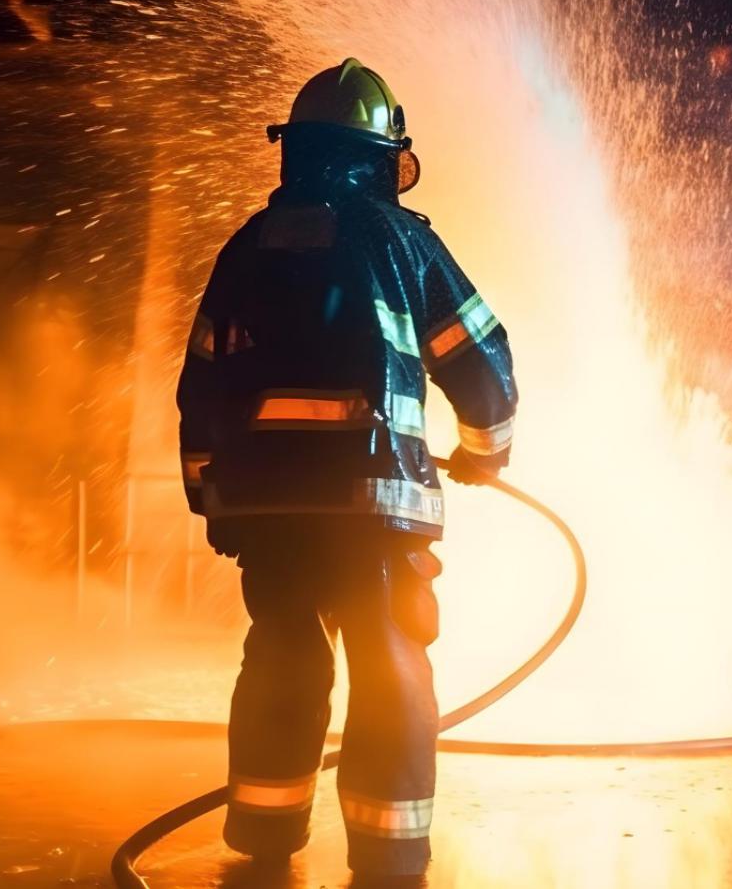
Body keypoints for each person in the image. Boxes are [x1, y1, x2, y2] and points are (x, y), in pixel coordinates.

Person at [175, 57, 518, 883]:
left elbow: (200, 383)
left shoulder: (248, 246)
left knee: (283, 651)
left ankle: (264, 836)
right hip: (377, 505)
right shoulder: (403, 240)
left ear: (297, 151)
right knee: (389, 653)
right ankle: (390, 852)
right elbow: (481, 359)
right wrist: (483, 452)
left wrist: (210, 495)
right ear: (383, 156)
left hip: (267, 509)